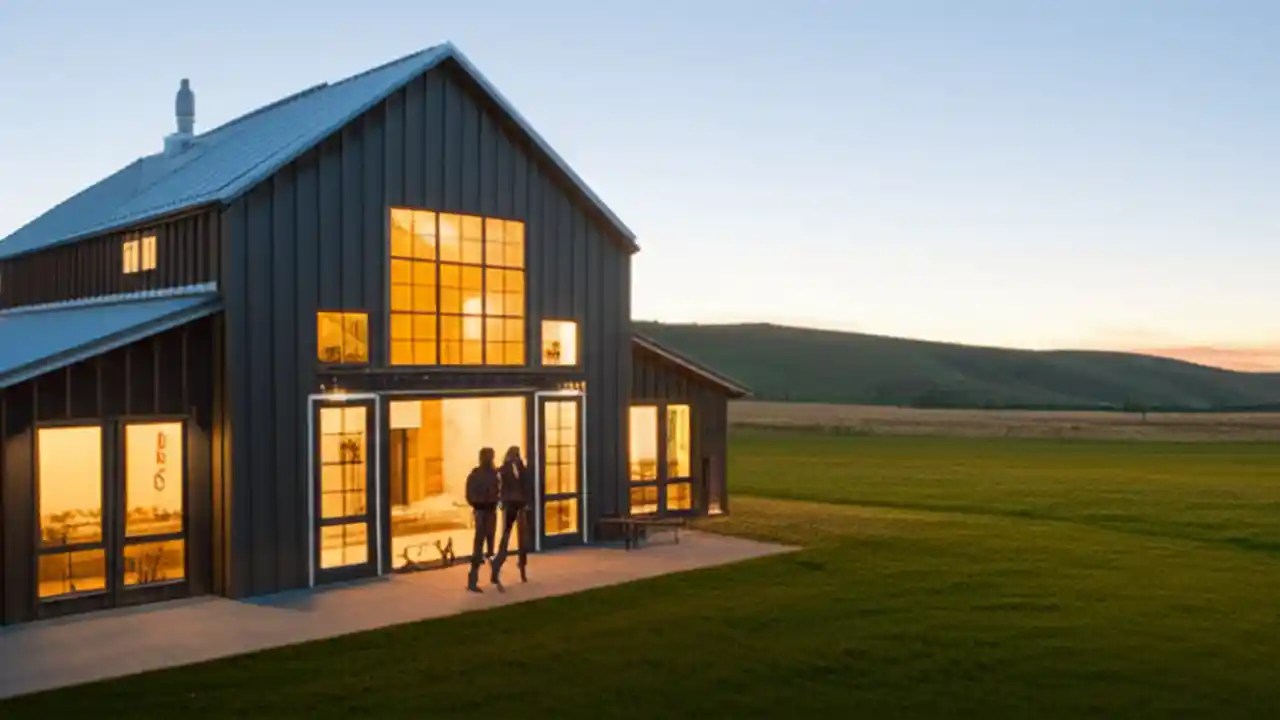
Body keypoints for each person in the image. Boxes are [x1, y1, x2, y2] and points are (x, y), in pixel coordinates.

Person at [492, 446, 533, 587]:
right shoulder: (503, 470)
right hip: (510, 506)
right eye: (514, 454)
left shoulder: (522, 469)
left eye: (517, 454)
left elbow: (527, 485)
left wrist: (527, 502)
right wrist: (502, 501)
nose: (516, 457)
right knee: (506, 537)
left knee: (523, 539)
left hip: (520, 505)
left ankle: (522, 567)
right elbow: (501, 487)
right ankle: (497, 566)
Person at [465, 447, 500, 593]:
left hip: (490, 511)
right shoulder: (477, 475)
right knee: (479, 545)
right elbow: (470, 494)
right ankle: (473, 580)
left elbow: (498, 489)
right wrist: (478, 503)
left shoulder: (494, 474)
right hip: (482, 512)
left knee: (489, 545)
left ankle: (493, 575)